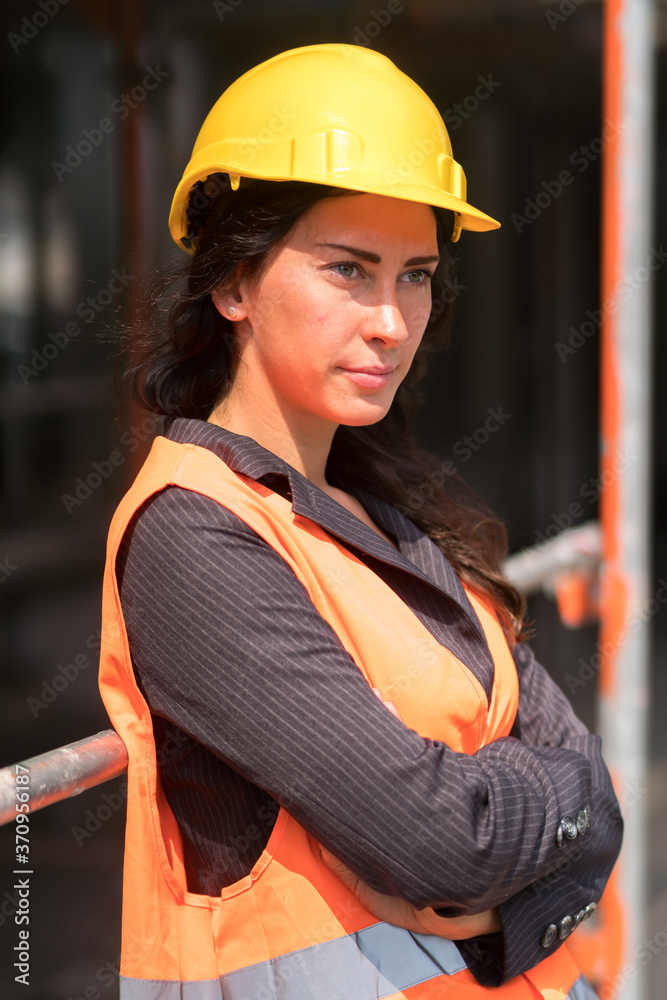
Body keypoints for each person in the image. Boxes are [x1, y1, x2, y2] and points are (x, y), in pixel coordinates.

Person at [99, 43, 623, 999]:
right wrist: (549, 814)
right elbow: (442, 844)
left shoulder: (384, 513)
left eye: (415, 274)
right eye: (349, 269)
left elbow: (594, 789)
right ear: (232, 286)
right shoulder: (195, 535)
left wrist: (546, 825)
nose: (393, 320)